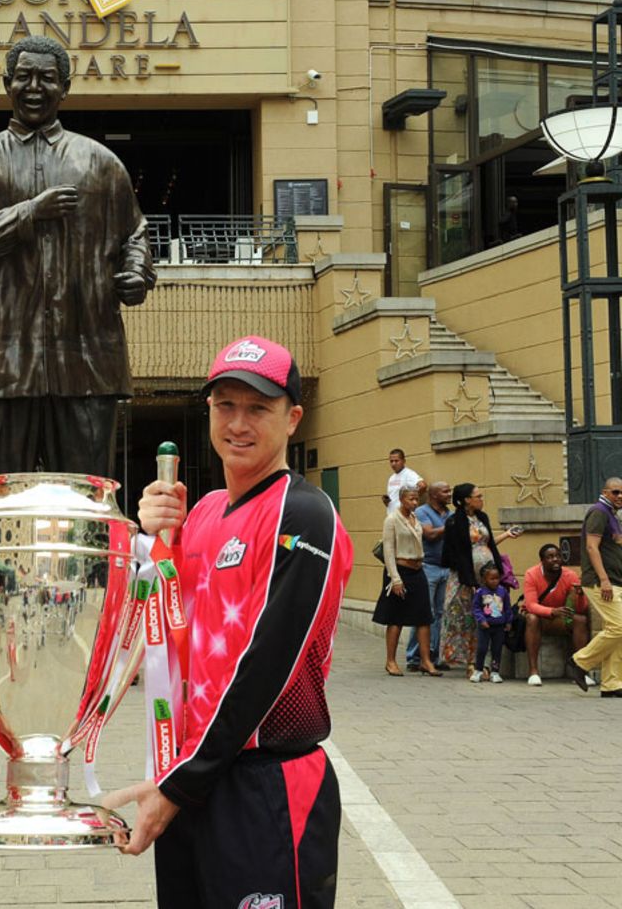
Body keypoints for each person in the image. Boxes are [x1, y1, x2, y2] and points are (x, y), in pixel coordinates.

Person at [106, 335, 353, 908]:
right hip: (193, 780)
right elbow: (166, 632)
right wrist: (151, 540)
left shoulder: (304, 512)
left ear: (292, 418)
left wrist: (181, 784)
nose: (238, 424)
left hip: (267, 784)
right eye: (225, 406)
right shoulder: (207, 511)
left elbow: (269, 665)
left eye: (258, 408)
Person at [0, 35, 156, 479]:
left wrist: (136, 271)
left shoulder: (101, 163)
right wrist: (27, 214)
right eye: (24, 77)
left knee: (88, 496)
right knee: (0, 495)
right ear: (7, 84)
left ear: (65, 88)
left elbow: (135, 234)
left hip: (89, 359)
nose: (35, 87)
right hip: (0, 362)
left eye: (47, 79)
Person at [440, 483, 519, 677]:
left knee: (488, 617)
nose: (482, 499)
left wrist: (505, 538)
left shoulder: (482, 518)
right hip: (465, 579)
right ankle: (470, 662)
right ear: (467, 499)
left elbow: (488, 543)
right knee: (466, 618)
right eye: (478, 496)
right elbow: (457, 554)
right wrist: (471, 581)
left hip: (487, 577)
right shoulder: (454, 522)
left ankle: (483, 662)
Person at [373, 485, 442, 677]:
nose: (414, 502)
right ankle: (391, 661)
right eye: (411, 499)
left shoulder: (415, 518)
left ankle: (426, 661)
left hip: (418, 569)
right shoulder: (392, 520)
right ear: (402, 499)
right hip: (399, 570)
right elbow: (388, 550)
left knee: (424, 616)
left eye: (416, 499)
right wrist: (395, 579)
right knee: (396, 617)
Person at [568, 478, 622, 698]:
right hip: (601, 582)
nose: (620, 496)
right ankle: (579, 662)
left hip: (615, 580)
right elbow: (591, 547)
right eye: (615, 492)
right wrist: (604, 579)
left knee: (616, 630)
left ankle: (611, 683)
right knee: (619, 626)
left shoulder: (612, 515)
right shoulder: (599, 512)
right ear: (605, 492)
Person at [522, 543, 589, 687]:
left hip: (562, 618)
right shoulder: (531, 574)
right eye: (550, 557)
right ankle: (533, 671)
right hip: (542, 618)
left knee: (581, 620)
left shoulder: (570, 575)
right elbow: (530, 605)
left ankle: (581, 670)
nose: (555, 560)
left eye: (558, 556)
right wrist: (551, 611)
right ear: (542, 561)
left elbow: (581, 608)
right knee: (531, 618)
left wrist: (581, 596)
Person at [407, 480, 452, 672]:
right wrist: (451, 526)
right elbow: (430, 535)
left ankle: (434, 654)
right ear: (434, 495)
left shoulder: (450, 514)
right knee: (424, 612)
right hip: (428, 567)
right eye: (445, 491)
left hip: (446, 567)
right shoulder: (422, 512)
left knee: (442, 614)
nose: (449, 494)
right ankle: (414, 657)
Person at [470, 562, 512, 684]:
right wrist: (481, 619)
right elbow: (476, 608)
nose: (495, 581)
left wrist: (508, 621)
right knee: (482, 648)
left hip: (499, 626)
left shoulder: (503, 592)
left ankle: (495, 672)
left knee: (497, 649)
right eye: (491, 579)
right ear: (484, 579)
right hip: (485, 626)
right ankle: (478, 670)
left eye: (497, 578)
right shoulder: (480, 592)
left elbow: (507, 608)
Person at [383, 448, 424, 513]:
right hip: (392, 515)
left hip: (404, 517)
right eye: (391, 461)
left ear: (404, 461)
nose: (393, 464)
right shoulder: (391, 478)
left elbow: (423, 486)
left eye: (396, 461)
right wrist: (386, 501)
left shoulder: (408, 474)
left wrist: (413, 500)